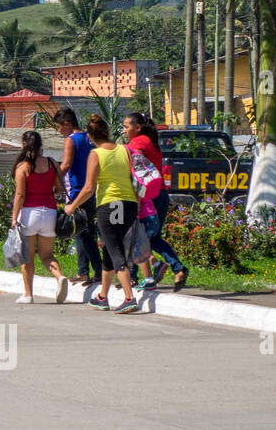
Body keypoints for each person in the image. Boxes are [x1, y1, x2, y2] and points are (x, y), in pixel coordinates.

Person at [63, 114, 140, 313]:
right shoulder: (125, 150)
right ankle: (102, 297)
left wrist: (72, 206)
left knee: (115, 250)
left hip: (110, 205)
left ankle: (129, 297)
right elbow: (134, 179)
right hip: (129, 203)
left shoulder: (96, 154)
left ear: (90, 137)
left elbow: (89, 188)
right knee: (108, 249)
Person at [123, 111, 189, 290]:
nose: (124, 131)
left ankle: (139, 277)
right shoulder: (152, 142)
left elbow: (137, 171)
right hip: (161, 194)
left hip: (146, 198)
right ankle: (178, 268)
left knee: (135, 237)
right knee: (154, 238)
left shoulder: (137, 142)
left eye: (126, 127)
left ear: (137, 128)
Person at [10, 130, 69, 304]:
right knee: (47, 255)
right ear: (40, 144)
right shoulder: (52, 163)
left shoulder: (23, 167)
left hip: (29, 214)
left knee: (27, 258)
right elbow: (60, 189)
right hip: (49, 213)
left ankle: (28, 295)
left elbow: (20, 195)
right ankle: (59, 277)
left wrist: (14, 218)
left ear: (23, 145)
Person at [54, 108, 103, 286]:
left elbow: (66, 165)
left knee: (84, 233)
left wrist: (52, 180)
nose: (59, 131)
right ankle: (83, 271)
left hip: (76, 192)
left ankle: (98, 270)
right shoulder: (90, 139)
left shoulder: (71, 140)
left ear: (67, 124)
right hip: (91, 190)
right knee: (82, 231)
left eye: (59, 127)